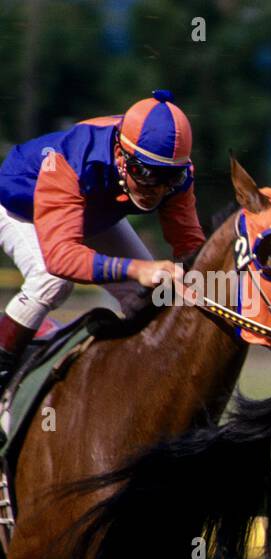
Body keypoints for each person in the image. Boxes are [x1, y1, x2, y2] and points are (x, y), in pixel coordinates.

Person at [0, 89, 204, 391]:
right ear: (121, 156)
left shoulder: (179, 176)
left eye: (168, 178)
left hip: (90, 208)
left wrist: (217, 286)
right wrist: (137, 269)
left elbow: (190, 248)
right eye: (145, 172)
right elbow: (60, 258)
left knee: (152, 298)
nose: (156, 189)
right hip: (22, 203)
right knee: (51, 280)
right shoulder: (70, 161)